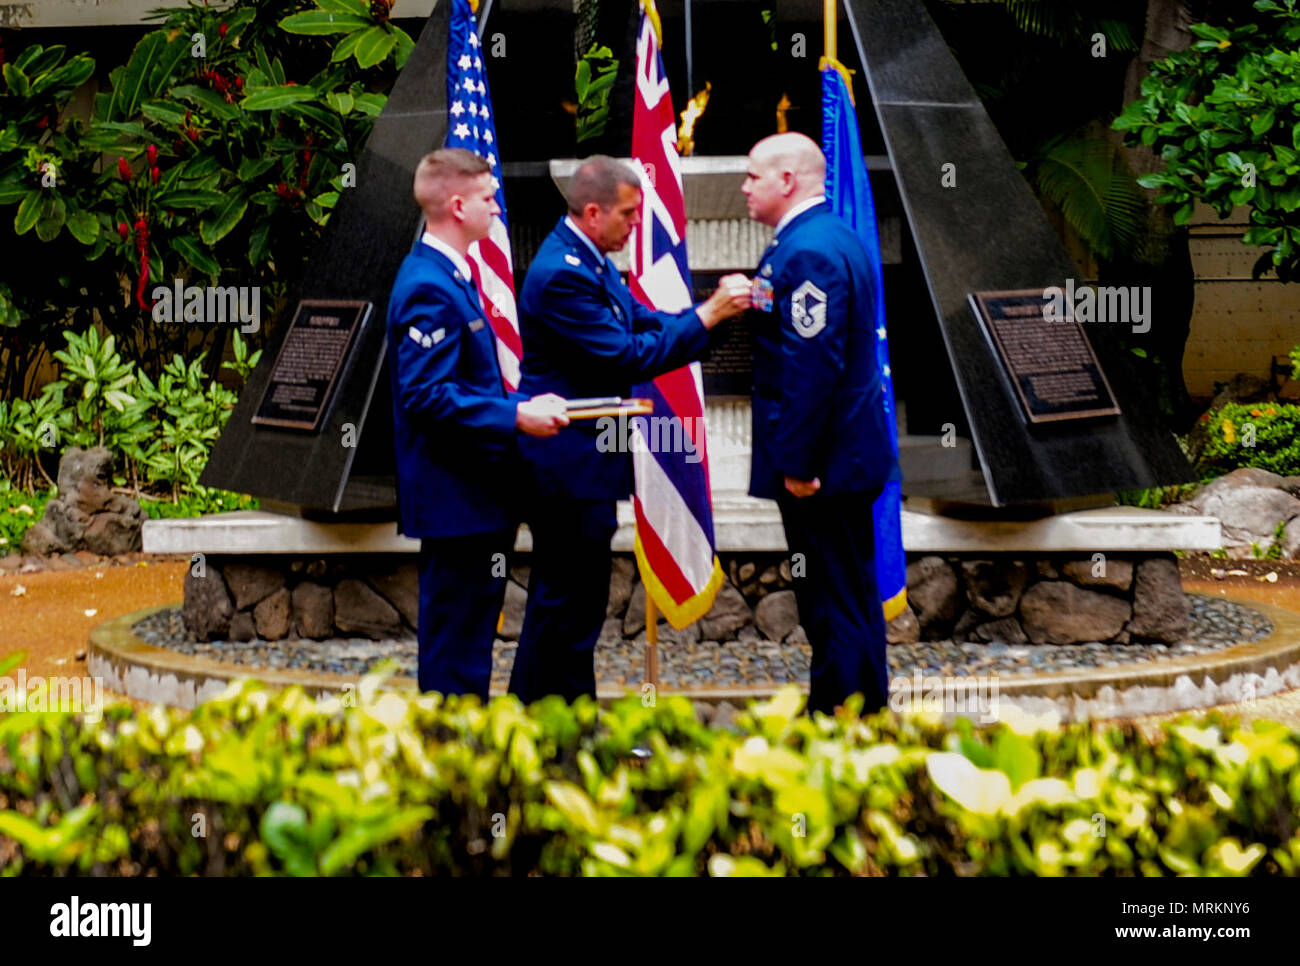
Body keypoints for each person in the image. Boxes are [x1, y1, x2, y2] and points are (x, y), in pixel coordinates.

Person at [509, 155, 752, 704]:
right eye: (628, 214)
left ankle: (541, 721)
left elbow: (644, 322)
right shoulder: (562, 274)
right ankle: (560, 727)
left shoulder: (588, 260)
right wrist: (709, 315)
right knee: (568, 607)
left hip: (585, 469)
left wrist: (706, 316)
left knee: (570, 604)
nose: (636, 224)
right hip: (566, 470)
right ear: (592, 212)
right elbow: (624, 355)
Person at [388, 147, 569, 699]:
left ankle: (463, 757)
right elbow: (426, 395)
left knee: (468, 642)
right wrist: (515, 413)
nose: (498, 207)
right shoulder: (428, 284)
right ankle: (448, 763)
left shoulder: (452, 276)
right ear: (458, 204)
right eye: (489, 198)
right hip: (455, 502)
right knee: (455, 650)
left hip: (473, 500)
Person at [740, 132, 901, 715]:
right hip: (841, 458)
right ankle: (851, 709)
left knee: (833, 599)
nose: (744, 187)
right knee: (842, 594)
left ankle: (844, 717)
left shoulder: (807, 249)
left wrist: (799, 463)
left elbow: (812, 366)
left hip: (824, 466)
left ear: (787, 181)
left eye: (753, 176)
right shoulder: (828, 236)